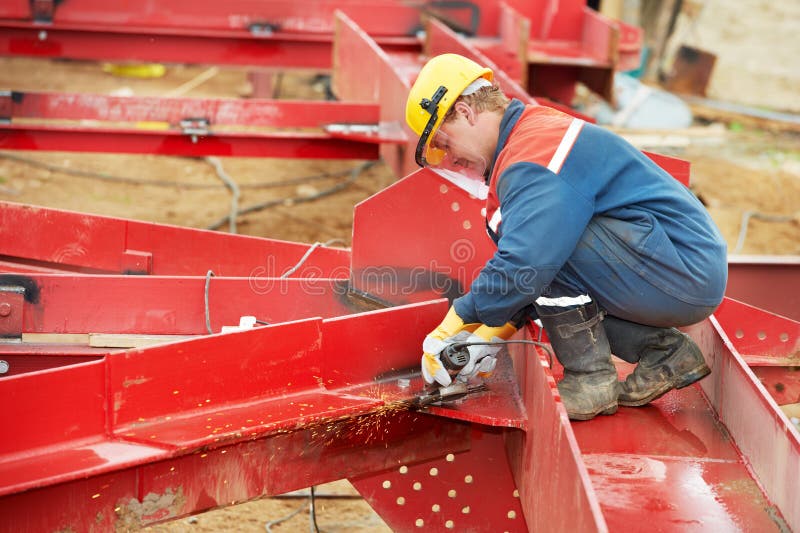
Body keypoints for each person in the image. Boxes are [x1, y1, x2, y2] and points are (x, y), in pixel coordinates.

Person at [406, 54, 728, 421]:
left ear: (465, 112)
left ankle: (591, 381)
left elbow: (529, 262)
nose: (452, 159)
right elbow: (539, 281)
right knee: (540, 249)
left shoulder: (535, 155)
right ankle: (663, 352)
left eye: (445, 144)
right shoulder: (527, 137)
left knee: (542, 248)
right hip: (669, 267)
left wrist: (455, 321)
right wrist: (489, 337)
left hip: (681, 270)